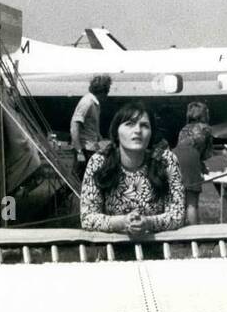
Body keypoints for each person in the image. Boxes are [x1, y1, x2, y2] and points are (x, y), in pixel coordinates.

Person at [80, 101, 184, 235]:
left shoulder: (166, 161)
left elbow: (177, 215)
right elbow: (87, 218)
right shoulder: (99, 162)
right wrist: (122, 222)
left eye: (145, 125)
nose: (137, 130)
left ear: (152, 133)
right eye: (129, 124)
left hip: (156, 248)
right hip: (110, 248)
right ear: (116, 131)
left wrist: (148, 222)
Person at [173, 101, 213, 225]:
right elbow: (206, 154)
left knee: (180, 198)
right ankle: (194, 235)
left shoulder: (184, 128)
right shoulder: (206, 129)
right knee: (192, 202)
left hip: (175, 155)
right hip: (191, 157)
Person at [70, 74, 111, 171]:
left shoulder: (94, 103)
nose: (107, 95)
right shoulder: (87, 102)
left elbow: (93, 128)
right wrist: (79, 151)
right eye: (107, 91)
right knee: (80, 180)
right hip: (85, 150)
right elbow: (74, 127)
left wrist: (101, 141)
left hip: (91, 148)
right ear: (102, 91)